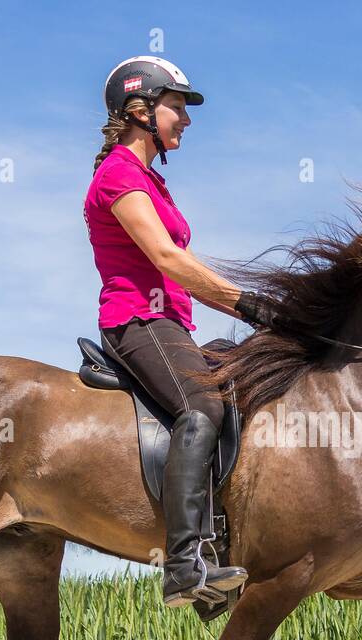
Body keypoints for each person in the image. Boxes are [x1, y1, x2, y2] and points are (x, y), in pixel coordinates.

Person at [85, 55, 278, 607]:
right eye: (178, 108)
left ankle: (216, 546)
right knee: (203, 406)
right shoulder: (118, 175)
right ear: (140, 110)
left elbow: (180, 270)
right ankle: (184, 566)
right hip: (137, 320)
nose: (186, 121)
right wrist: (247, 303)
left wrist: (250, 315)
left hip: (171, 322)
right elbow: (168, 259)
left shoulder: (154, 183)